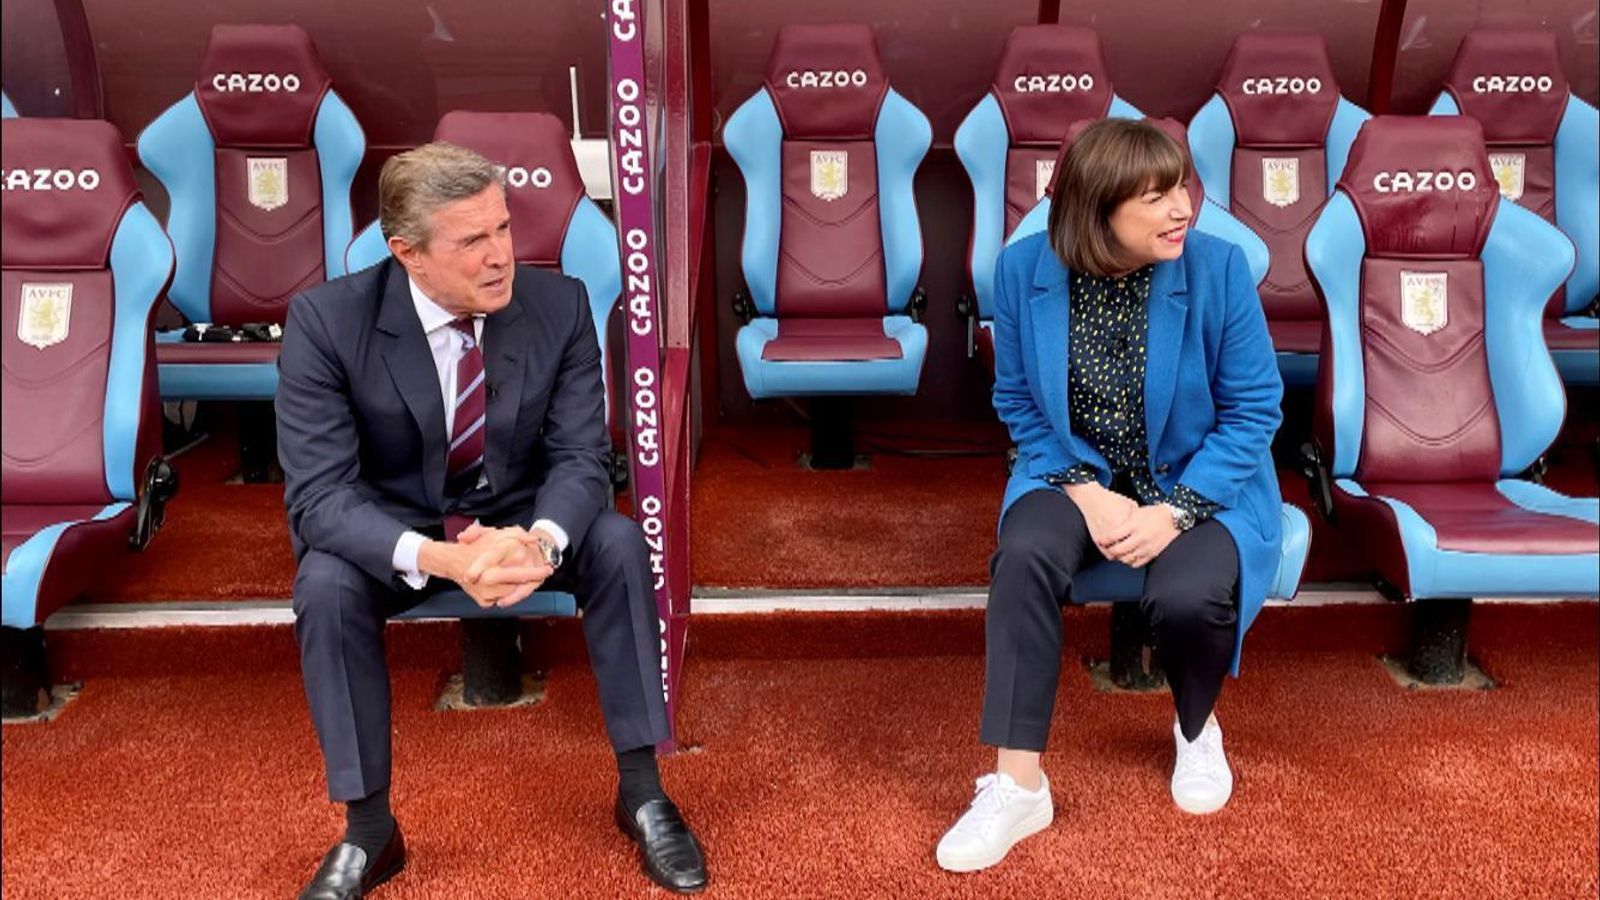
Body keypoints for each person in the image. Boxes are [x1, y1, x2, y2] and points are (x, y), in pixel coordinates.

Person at [276, 142, 707, 897]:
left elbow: (580, 459)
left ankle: (642, 790)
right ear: (406, 252)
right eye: (472, 241)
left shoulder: (560, 304)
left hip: (518, 516)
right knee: (325, 584)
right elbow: (319, 500)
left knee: (615, 542)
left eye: (503, 229)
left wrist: (539, 542)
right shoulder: (325, 323)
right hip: (400, 526)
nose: (501, 255)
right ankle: (369, 829)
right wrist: (445, 560)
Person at [935, 118, 1283, 872]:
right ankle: (1017, 783)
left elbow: (1256, 409)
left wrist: (1173, 512)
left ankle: (1196, 726)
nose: (1182, 208)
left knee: (1189, 596)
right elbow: (1019, 403)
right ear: (1097, 210)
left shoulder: (1219, 270)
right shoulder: (1024, 270)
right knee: (1023, 555)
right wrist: (1087, 493)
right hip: (1071, 470)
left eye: (1181, 187)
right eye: (1155, 198)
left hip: (1200, 481)